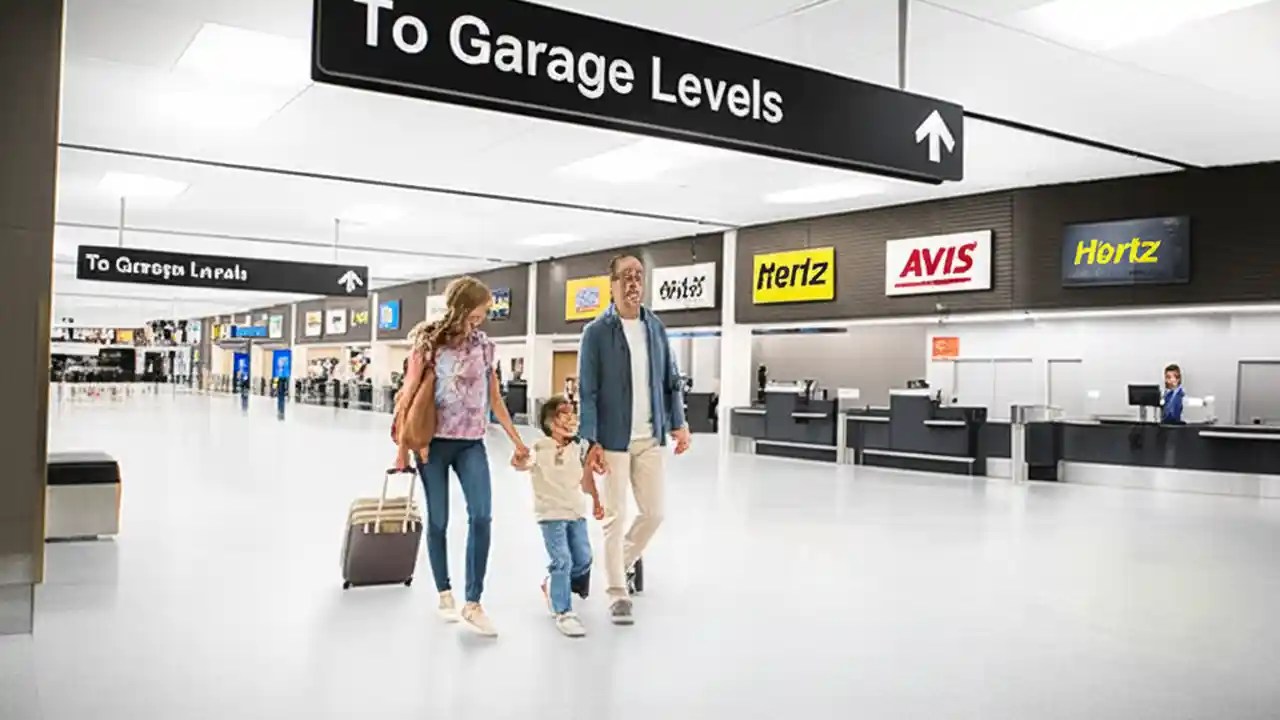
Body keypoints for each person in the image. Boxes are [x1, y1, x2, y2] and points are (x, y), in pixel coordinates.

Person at [394, 276, 530, 637]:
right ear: (464, 305)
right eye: (481, 308)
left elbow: (495, 399)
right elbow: (407, 396)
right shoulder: (429, 344)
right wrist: (402, 450)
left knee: (482, 515)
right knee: (438, 521)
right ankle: (444, 592)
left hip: (471, 442)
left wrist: (518, 441)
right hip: (432, 445)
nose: (484, 316)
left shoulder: (486, 347)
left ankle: (474, 602)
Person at [578, 254, 691, 626]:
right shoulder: (596, 332)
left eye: (638, 276)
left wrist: (679, 422)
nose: (633, 283)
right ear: (611, 284)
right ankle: (616, 593)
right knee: (614, 516)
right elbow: (588, 391)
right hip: (612, 439)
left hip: (649, 436)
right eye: (625, 276)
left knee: (654, 512)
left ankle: (618, 563)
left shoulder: (655, 328)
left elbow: (670, 380)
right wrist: (589, 440)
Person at [518, 394, 604, 638]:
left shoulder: (579, 448)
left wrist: (596, 501)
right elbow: (524, 463)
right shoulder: (540, 448)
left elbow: (588, 477)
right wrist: (519, 461)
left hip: (575, 511)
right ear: (549, 422)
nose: (570, 418)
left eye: (572, 413)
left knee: (584, 559)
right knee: (562, 560)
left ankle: (554, 583)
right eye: (563, 414)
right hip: (551, 514)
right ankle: (563, 610)